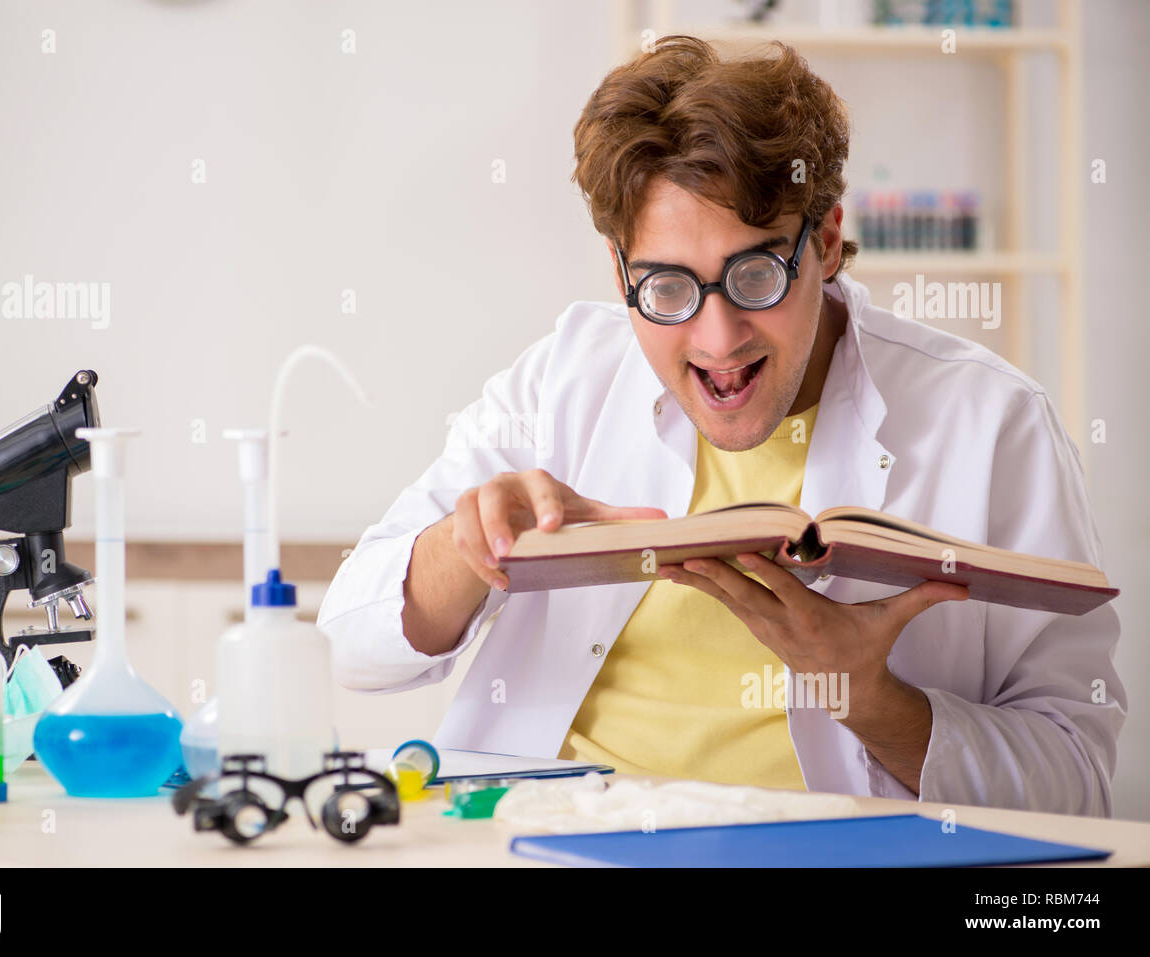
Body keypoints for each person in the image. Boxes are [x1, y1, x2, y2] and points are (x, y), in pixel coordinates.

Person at [317, 36, 1124, 814]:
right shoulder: (563, 378)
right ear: (620, 270)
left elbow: (1078, 782)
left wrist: (867, 693)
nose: (718, 338)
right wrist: (469, 550)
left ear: (830, 240)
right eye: (667, 286)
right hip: (552, 833)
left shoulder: (994, 423)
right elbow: (353, 645)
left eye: (757, 273)